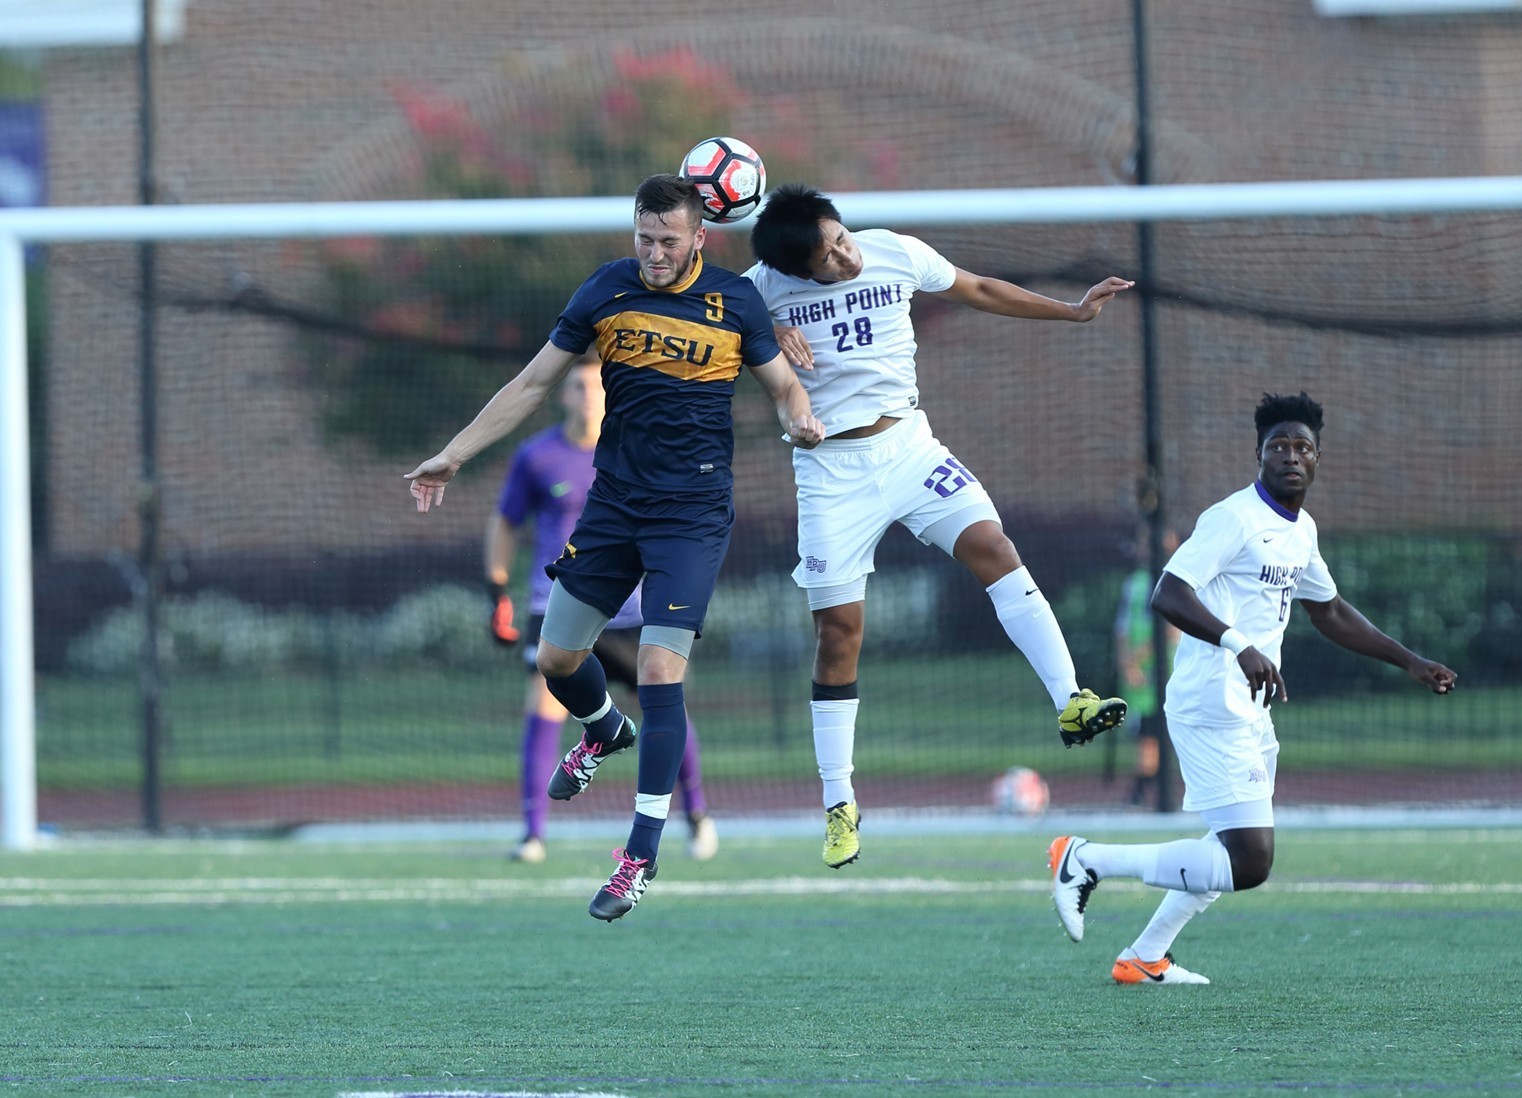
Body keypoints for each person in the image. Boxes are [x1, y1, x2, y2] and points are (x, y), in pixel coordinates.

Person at [407, 174, 824, 922]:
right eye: (644, 239)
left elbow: (784, 388)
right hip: (614, 507)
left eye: (669, 240)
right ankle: (603, 728)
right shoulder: (606, 290)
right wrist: (455, 452)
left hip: (692, 513)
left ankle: (638, 856)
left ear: (701, 237)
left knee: (663, 671)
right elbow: (534, 382)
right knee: (558, 660)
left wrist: (800, 419)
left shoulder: (736, 302)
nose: (655, 253)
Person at [744, 183, 1134, 869]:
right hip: (832, 472)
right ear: (796, 272)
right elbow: (711, 320)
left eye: (841, 240)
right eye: (827, 260)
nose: (845, 258)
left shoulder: (894, 251)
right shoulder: (759, 289)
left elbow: (979, 288)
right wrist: (764, 329)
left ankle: (1070, 700)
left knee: (993, 546)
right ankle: (839, 802)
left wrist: (1072, 314)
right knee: (839, 634)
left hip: (912, 448)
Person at [1048, 392, 1457, 984]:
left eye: (1303, 447)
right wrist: (1239, 644)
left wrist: (1409, 660)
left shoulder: (1300, 529)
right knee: (1249, 861)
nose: (1291, 456)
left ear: (1318, 459)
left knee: (1227, 849)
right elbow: (1169, 592)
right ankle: (1085, 860)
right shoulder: (1233, 518)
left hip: (1248, 708)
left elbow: (1331, 610)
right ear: (1259, 455)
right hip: (1211, 702)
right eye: (1279, 447)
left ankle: (1144, 958)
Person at [486, 354, 717, 866]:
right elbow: (505, 522)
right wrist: (496, 589)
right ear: (564, 395)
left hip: (633, 610)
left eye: (596, 387)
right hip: (558, 603)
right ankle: (533, 834)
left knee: (663, 703)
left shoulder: (637, 451)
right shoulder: (536, 457)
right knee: (543, 702)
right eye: (576, 387)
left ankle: (698, 816)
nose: (587, 395)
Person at [1114, 525, 1181, 809]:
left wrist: (1135, 660)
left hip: (1165, 673)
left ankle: (1141, 795)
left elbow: (1171, 629)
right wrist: (1126, 663)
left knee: (1159, 737)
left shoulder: (1175, 581)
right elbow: (1122, 627)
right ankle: (1143, 794)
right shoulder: (1136, 582)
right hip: (1140, 675)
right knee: (1146, 736)